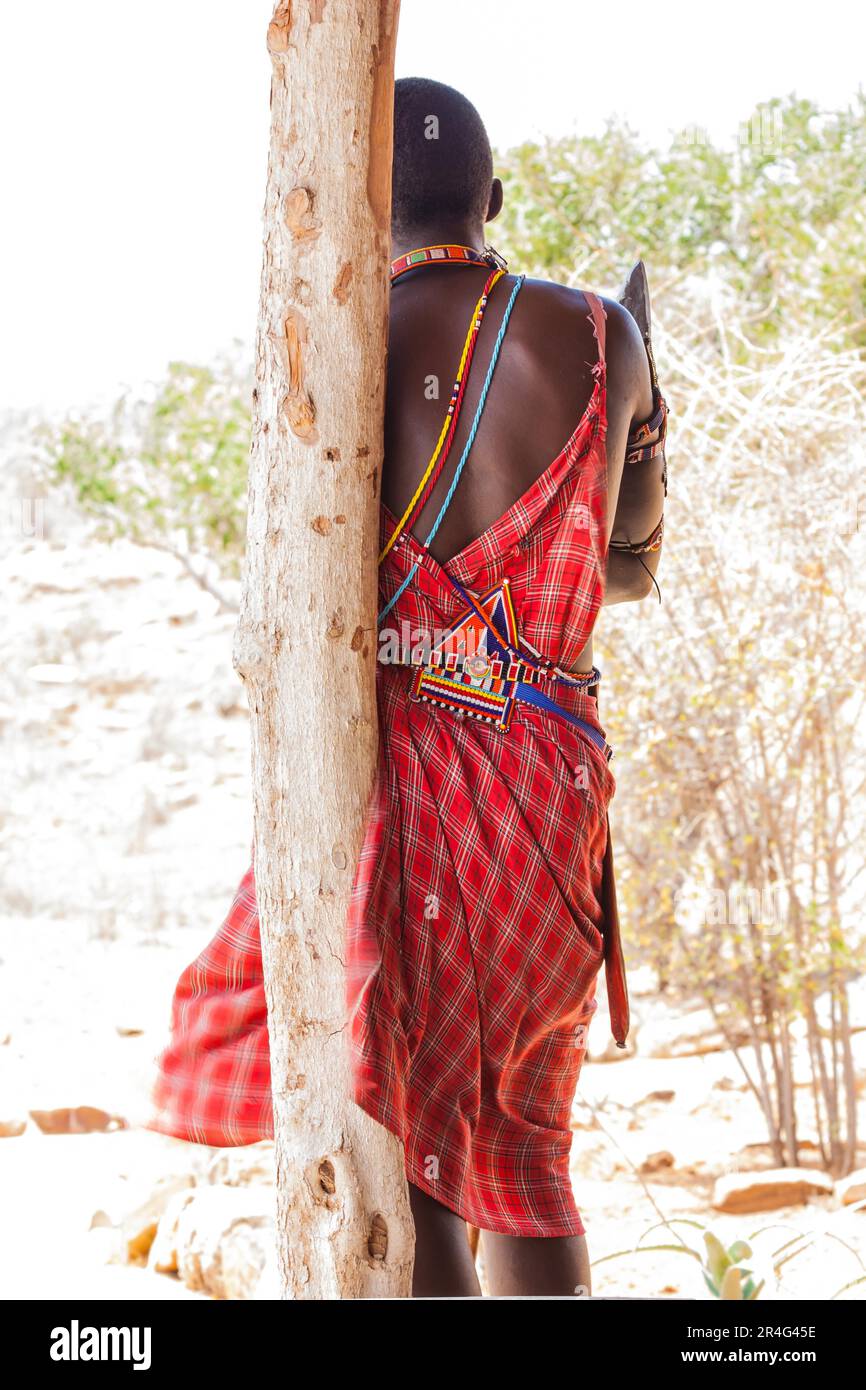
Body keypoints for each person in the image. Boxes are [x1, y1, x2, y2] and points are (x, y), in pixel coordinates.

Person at [147, 77, 667, 1298]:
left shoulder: (319, 345)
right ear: (490, 201)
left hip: (380, 790)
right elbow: (629, 562)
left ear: (369, 197)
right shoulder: (601, 334)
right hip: (543, 789)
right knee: (528, 1156)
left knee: (421, 1164)